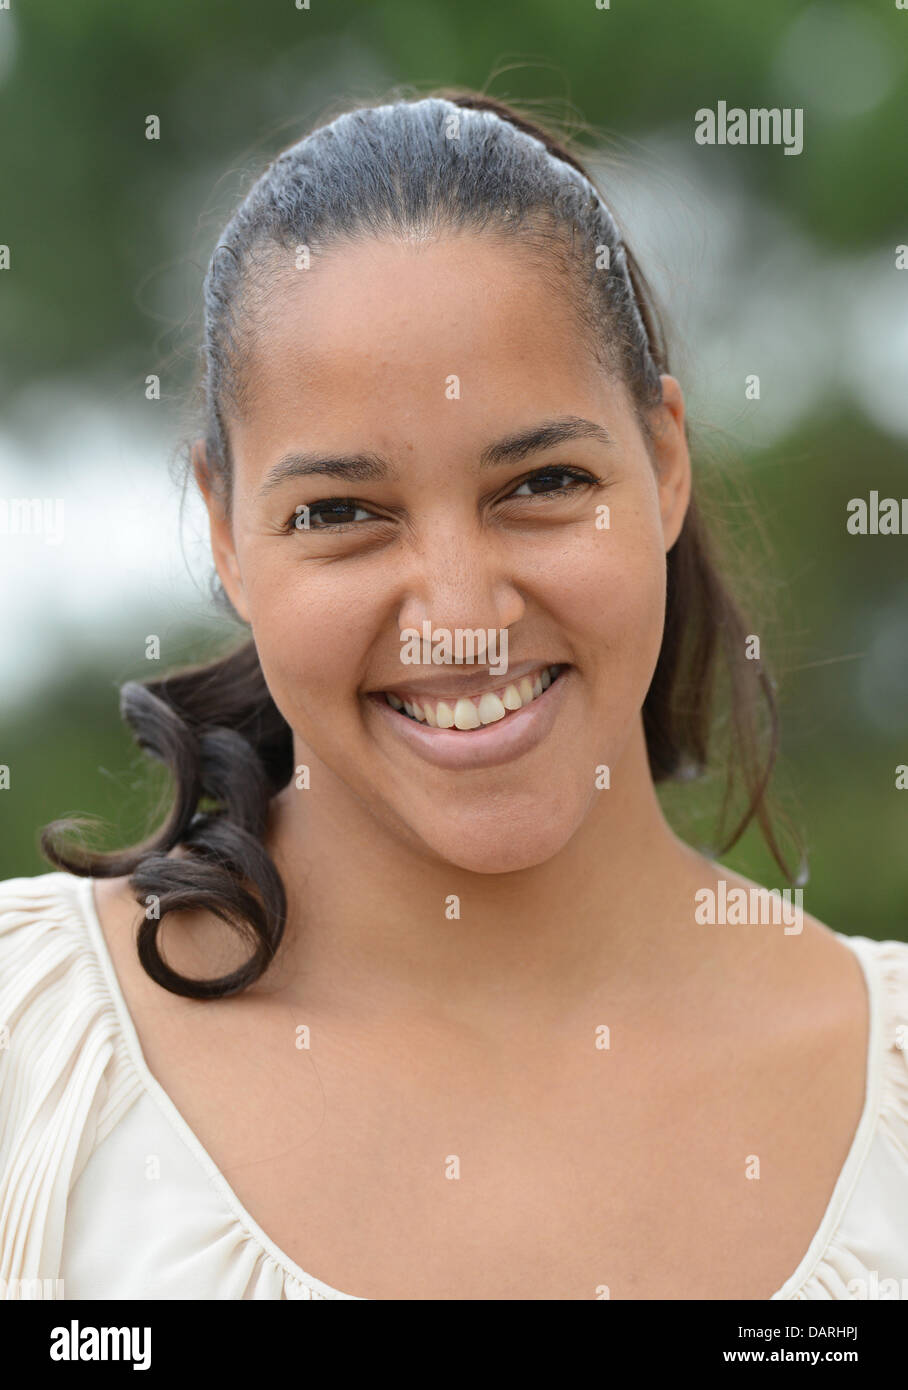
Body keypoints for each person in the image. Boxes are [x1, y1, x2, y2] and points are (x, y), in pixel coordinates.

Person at [1, 90, 906, 1302]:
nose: (460, 612)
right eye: (341, 513)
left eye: (539, 481)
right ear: (223, 529)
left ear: (666, 461)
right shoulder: (32, 1058)